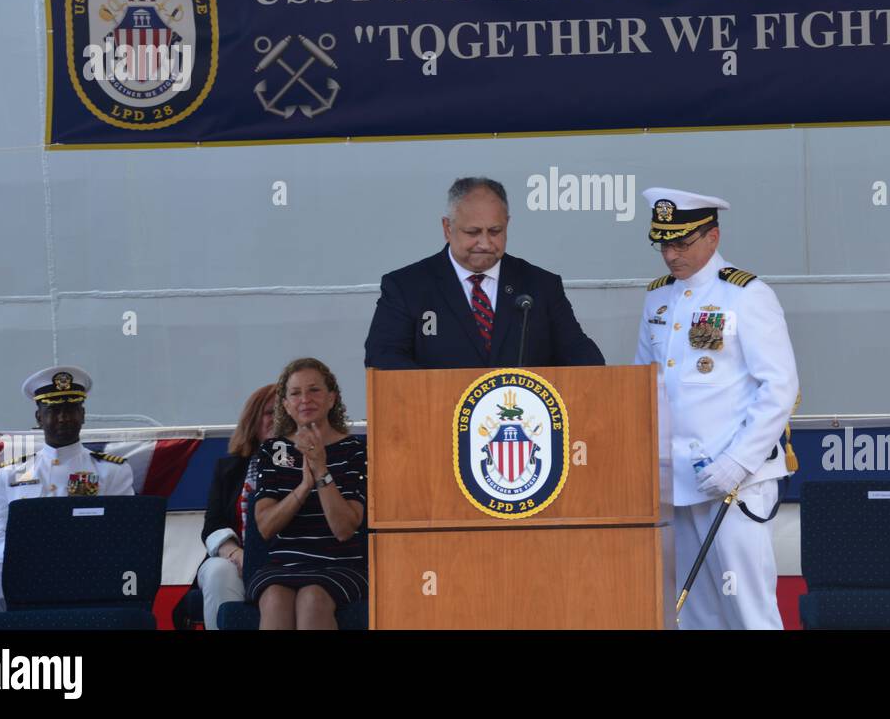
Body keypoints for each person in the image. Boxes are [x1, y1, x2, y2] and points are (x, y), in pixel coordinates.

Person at [634, 187, 798, 629]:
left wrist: (738, 462)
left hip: (734, 482)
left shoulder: (745, 294)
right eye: (663, 244)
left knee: (748, 610)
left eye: (681, 243)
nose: (671, 255)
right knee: (695, 614)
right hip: (679, 481)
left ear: (712, 236)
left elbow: (780, 387)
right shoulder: (658, 299)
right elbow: (643, 386)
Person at [0, 365, 134, 630]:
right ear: (39, 417)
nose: (63, 418)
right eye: (53, 411)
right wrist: (32, 557)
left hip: (85, 569)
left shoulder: (111, 470)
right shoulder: (9, 473)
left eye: (70, 410)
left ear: (82, 415)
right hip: (21, 569)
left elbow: (122, 534)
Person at [365, 176, 604, 370]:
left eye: (495, 231)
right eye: (473, 232)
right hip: (437, 420)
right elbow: (383, 358)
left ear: (507, 225)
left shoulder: (540, 285)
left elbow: (582, 356)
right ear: (447, 228)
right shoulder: (406, 287)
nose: (485, 243)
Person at [251, 358, 366, 629]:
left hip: (340, 564)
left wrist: (321, 470)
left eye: (314, 390)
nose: (305, 399)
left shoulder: (355, 450)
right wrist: (303, 486)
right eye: (295, 393)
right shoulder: (273, 451)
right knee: (275, 598)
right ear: (287, 405)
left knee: (312, 597)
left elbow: (344, 529)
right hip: (284, 564)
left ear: (331, 398)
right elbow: (266, 527)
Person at [182, 384, 277, 631]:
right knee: (218, 572)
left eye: (284, 413)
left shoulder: (308, 463)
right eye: (270, 413)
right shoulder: (229, 469)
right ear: (253, 420)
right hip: (236, 561)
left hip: (288, 562)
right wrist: (236, 554)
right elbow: (213, 526)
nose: (277, 420)